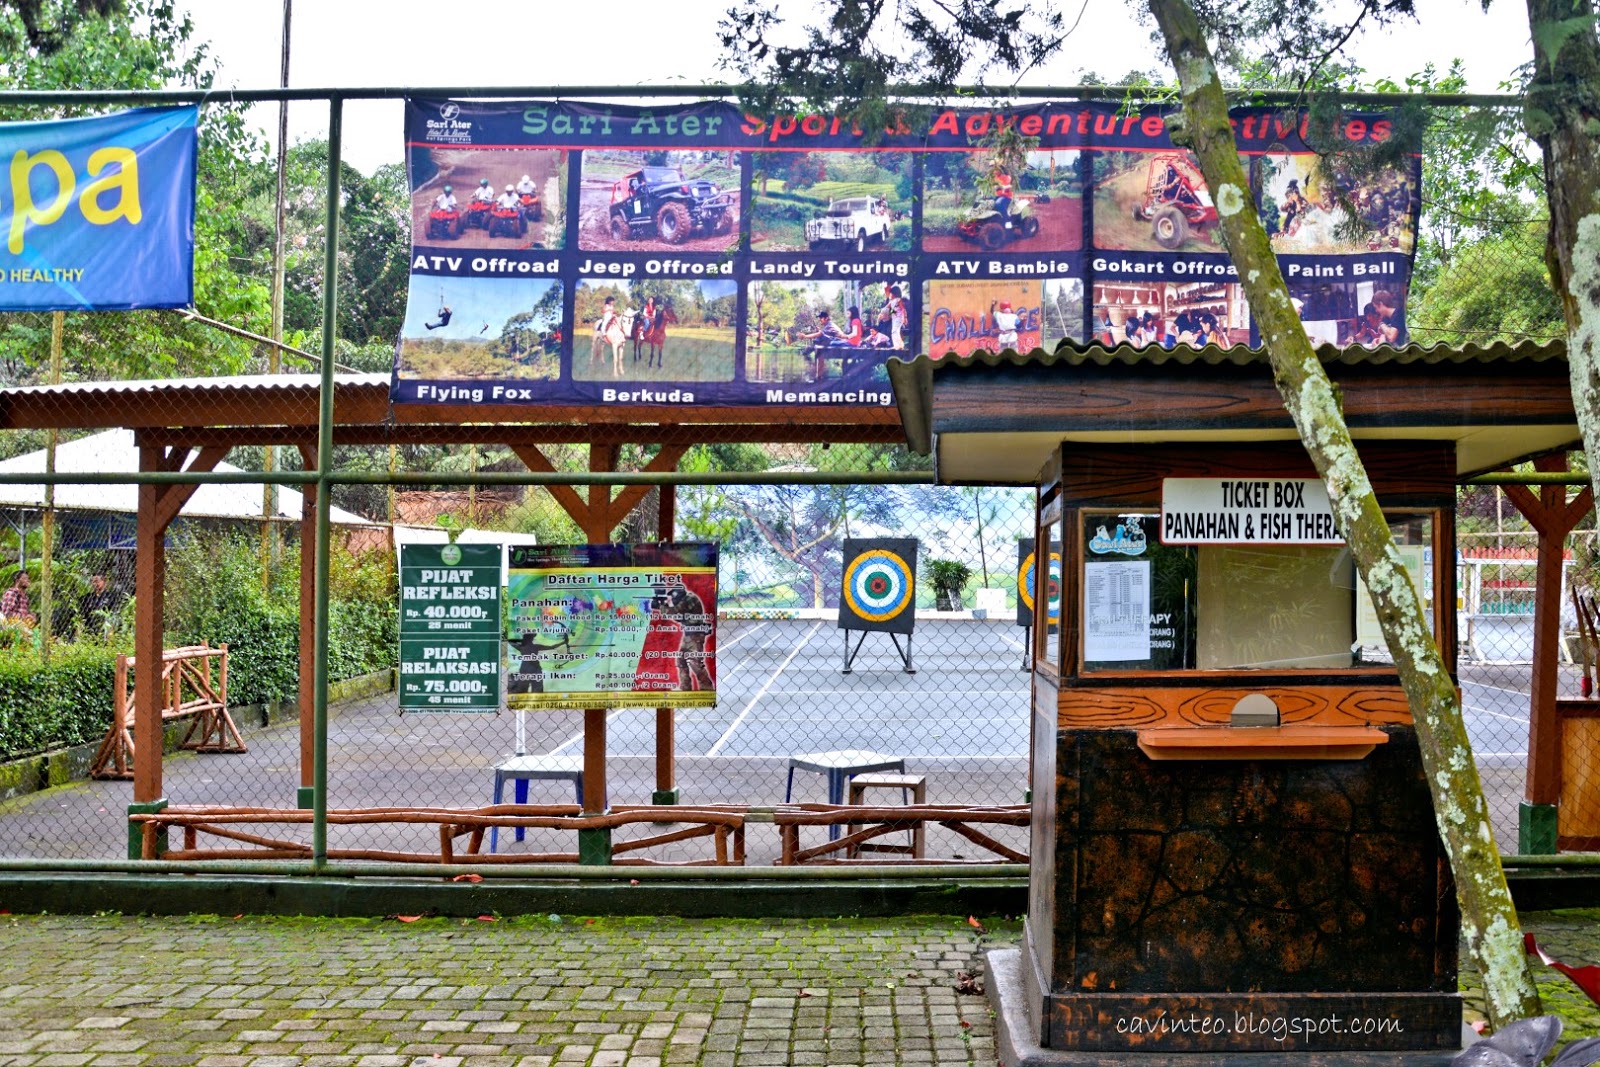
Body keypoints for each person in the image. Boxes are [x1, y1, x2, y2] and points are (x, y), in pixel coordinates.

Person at [798, 309, 844, 381]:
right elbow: (823, 334)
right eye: (819, 318)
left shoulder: (830, 326)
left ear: (826, 318)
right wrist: (820, 332)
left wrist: (804, 336)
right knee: (818, 342)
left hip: (838, 346)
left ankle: (817, 373)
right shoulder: (829, 325)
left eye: (821, 318)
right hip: (835, 345)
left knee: (819, 341)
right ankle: (816, 371)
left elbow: (819, 334)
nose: (820, 319)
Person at [992, 162, 1014, 227]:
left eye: (996, 170)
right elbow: (993, 186)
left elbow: (1007, 186)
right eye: (994, 170)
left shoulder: (1006, 177)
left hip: (1006, 197)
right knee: (986, 201)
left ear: (1000, 170)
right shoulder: (995, 178)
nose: (994, 171)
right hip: (997, 196)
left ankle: (1007, 221)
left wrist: (999, 187)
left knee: (998, 203)